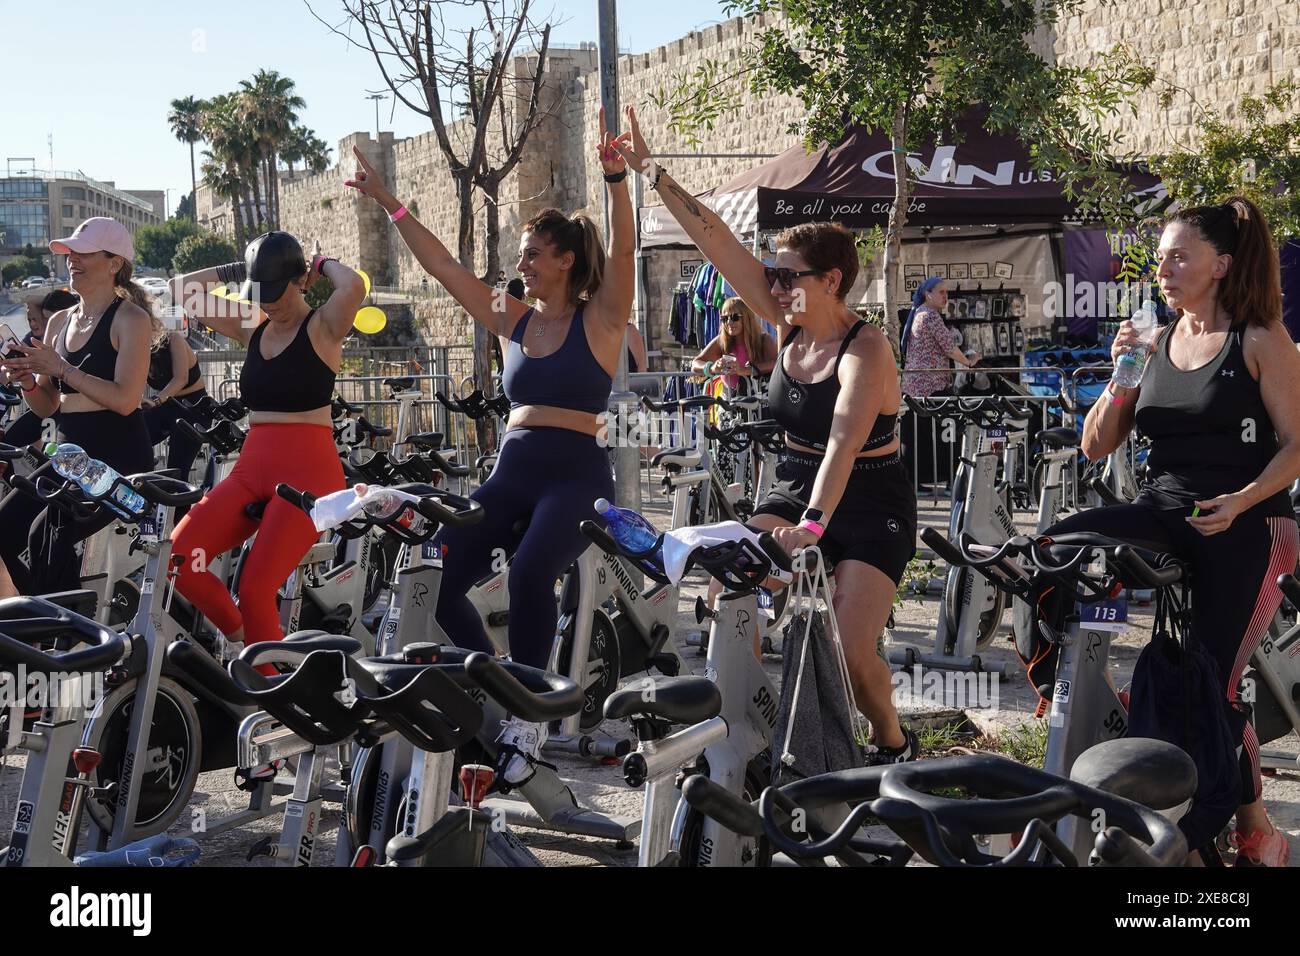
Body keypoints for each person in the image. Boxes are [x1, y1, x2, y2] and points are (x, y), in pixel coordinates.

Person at [614, 106, 919, 765]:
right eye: (772, 274)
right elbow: (716, 239)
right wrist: (651, 170)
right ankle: (757, 729)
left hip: (868, 501)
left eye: (787, 276)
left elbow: (843, 442)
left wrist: (811, 528)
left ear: (830, 281)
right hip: (791, 484)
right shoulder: (787, 323)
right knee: (731, 596)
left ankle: (891, 743)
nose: (773, 285)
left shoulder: (868, 351)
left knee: (849, 643)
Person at [346, 108, 634, 784]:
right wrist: (391, 203)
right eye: (521, 255)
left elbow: (622, 253)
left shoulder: (599, 318)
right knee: (438, 579)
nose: (521, 264)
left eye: (533, 253)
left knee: (532, 573)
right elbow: (446, 266)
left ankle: (530, 723)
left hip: (575, 479)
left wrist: (615, 175)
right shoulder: (512, 319)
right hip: (512, 475)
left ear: (565, 260)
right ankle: (499, 687)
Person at [1039, 197, 1300, 866]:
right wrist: (1123, 372)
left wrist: (1241, 500)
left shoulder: (1262, 339)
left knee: (1210, 689)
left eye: (1179, 257)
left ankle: (1229, 835)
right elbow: (1097, 446)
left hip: (1249, 522)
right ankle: (1060, 700)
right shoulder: (1154, 340)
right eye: (1159, 259)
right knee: (1053, 548)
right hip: (1166, 510)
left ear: (1221, 264)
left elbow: (1298, 445)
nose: (1164, 270)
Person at [166, 231, 365, 657]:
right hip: (252, 467)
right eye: (261, 293)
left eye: (277, 291)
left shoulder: (324, 326)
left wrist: (321, 259)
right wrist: (243, 268)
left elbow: (353, 287)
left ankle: (271, 697)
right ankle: (246, 643)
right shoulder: (252, 325)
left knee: (256, 590)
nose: (270, 303)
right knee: (180, 558)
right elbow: (181, 290)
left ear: (302, 282)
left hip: (307, 472)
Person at [0, 218, 156, 597]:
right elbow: (47, 405)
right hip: (71, 459)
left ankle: (69, 638)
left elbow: (125, 400)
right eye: (70, 253)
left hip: (118, 460)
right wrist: (26, 379)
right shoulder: (59, 321)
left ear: (114, 263)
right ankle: (40, 622)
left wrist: (61, 368)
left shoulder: (132, 319)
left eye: (83, 253)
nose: (72, 260)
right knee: (6, 531)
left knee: (48, 534)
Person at [900, 278, 980, 486]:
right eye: (942, 292)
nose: (946, 296)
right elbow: (949, 346)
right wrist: (969, 362)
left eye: (947, 292)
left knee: (919, 436)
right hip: (932, 386)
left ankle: (916, 480)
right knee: (949, 433)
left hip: (915, 386)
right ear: (928, 294)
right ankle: (951, 478)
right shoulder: (930, 316)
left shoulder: (918, 314)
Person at [3, 289, 81, 450]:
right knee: (12, 442)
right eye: (29, 319)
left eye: (51, 320)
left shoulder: (77, 338)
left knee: (46, 447)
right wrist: (24, 379)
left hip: (65, 417)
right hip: (48, 411)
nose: (34, 324)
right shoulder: (35, 339)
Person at [141, 329, 210, 483]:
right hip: (166, 406)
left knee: (178, 470)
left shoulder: (172, 339)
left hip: (193, 407)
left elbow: (181, 378)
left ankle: (180, 504)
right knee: (133, 439)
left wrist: (156, 400)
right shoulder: (135, 347)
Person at [689, 297, 777, 392]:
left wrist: (745, 370)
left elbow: (776, 364)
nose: (729, 322)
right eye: (724, 318)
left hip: (758, 402)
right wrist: (712, 367)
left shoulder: (763, 339)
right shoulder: (721, 341)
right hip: (729, 402)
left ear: (747, 318)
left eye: (734, 317)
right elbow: (695, 364)